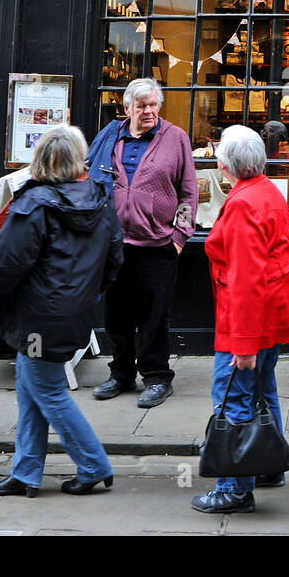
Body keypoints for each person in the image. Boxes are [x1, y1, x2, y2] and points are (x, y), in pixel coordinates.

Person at [0, 126, 124, 497]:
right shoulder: (98, 198)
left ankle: (93, 465)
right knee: (32, 388)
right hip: (72, 311)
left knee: (47, 392)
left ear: (42, 160)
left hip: (37, 318)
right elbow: (114, 259)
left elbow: (5, 266)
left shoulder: (34, 204)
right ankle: (26, 471)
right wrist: (84, 293)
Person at [193, 125, 289, 514]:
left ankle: (235, 489)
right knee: (262, 388)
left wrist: (243, 345)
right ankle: (268, 464)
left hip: (247, 319)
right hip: (271, 312)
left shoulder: (243, 203)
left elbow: (245, 279)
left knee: (233, 397)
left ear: (224, 164)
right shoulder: (267, 191)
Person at [86, 77, 197, 408]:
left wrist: (179, 237)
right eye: (141, 106)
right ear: (127, 108)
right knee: (116, 314)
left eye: (153, 105)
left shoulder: (175, 138)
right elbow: (88, 179)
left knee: (154, 316)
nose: (148, 111)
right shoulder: (110, 136)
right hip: (114, 243)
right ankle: (121, 374)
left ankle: (157, 377)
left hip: (158, 243)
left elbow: (188, 192)